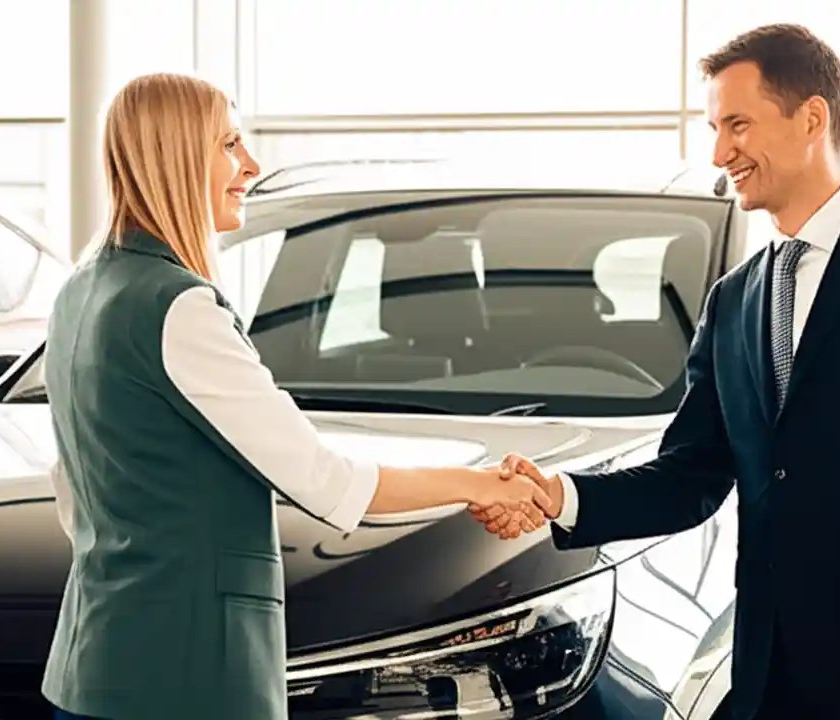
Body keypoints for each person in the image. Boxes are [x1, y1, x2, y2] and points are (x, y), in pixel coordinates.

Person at [471, 23, 840, 720]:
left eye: (738, 125)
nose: (721, 153)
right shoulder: (734, 300)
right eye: (715, 129)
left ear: (811, 119)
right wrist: (559, 496)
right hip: (763, 676)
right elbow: (689, 476)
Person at [43, 73, 554, 720]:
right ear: (177, 156)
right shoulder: (179, 307)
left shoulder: (81, 290)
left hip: (93, 669)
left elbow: (73, 495)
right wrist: (478, 484)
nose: (250, 165)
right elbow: (326, 482)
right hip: (183, 682)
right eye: (229, 143)